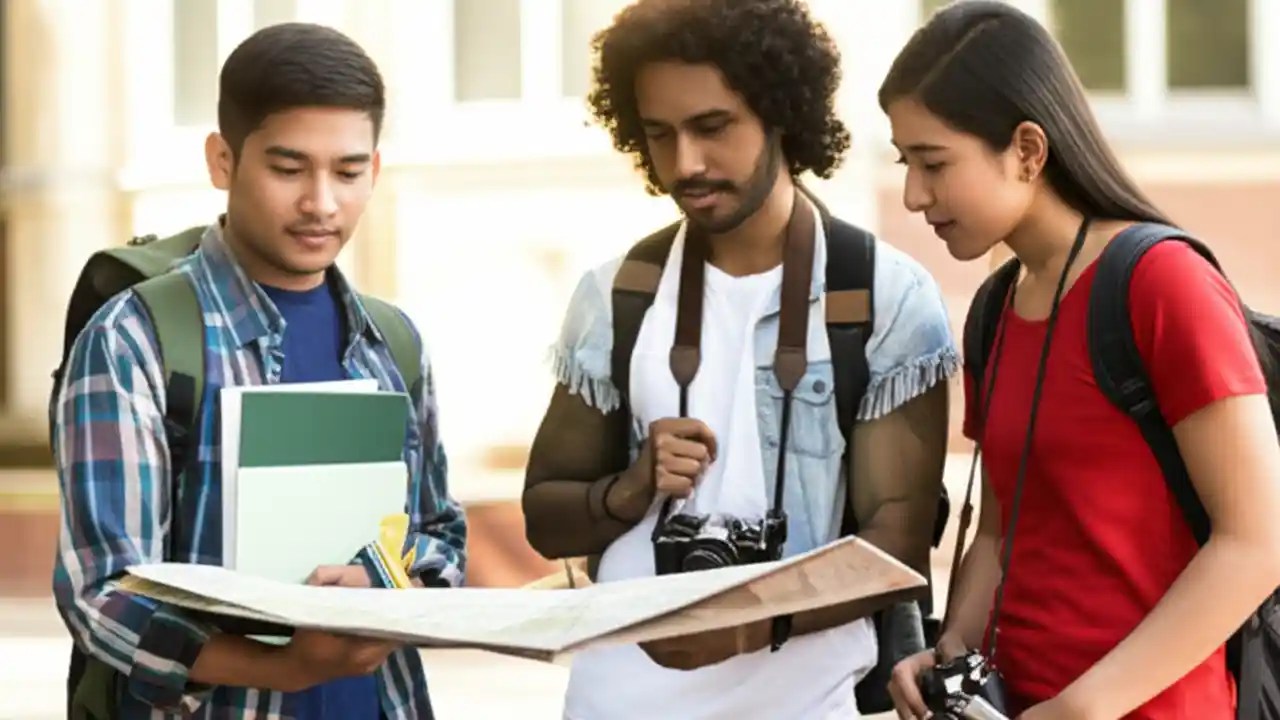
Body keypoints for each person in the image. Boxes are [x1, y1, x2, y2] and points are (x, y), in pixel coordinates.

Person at [521, 1, 959, 718]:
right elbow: (545, 519)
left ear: (781, 114)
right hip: (619, 696)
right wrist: (629, 491)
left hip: (806, 697)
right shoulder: (616, 294)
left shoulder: (882, 296)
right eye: (659, 134)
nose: (684, 162)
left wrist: (746, 626)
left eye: (712, 126)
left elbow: (895, 552)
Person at [50, 23, 465, 719]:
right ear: (222, 160)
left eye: (348, 170)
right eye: (288, 167)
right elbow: (104, 594)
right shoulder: (136, 338)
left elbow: (441, 539)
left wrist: (385, 582)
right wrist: (285, 668)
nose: (321, 203)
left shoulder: (391, 341)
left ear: (376, 170)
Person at [879, 2, 1280, 718]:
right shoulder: (996, 309)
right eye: (905, 162)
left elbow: (1258, 542)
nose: (914, 195)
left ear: (1029, 150)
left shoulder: (1163, 285)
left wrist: (1084, 707)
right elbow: (1003, 530)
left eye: (934, 163)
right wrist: (950, 649)